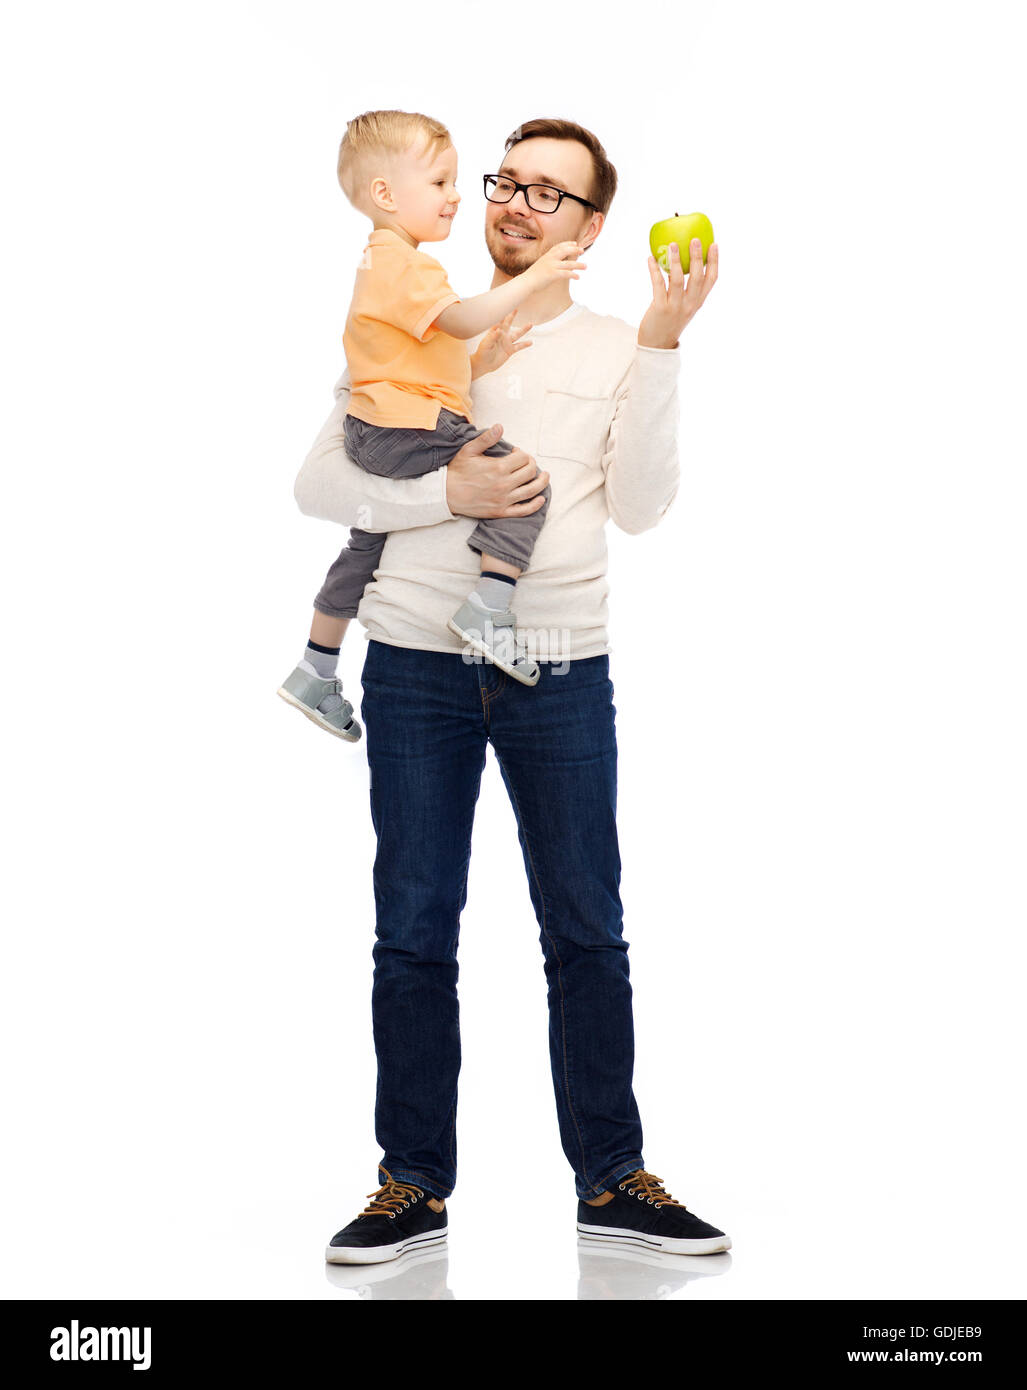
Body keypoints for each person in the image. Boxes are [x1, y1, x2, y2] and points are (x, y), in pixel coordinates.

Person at [293, 114, 729, 1264]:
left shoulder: (610, 347)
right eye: (508, 182)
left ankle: (613, 1178)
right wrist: (454, 499)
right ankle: (410, 1186)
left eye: (551, 195)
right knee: (413, 931)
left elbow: (640, 507)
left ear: (589, 227)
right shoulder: (416, 326)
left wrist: (667, 341)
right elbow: (318, 478)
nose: (518, 205)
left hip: (559, 670)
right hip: (418, 671)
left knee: (588, 930)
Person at [279, 111, 591, 740]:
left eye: (455, 184)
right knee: (523, 484)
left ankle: (315, 665)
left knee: (367, 543)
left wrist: (483, 363)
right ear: (387, 196)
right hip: (404, 427)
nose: (456, 197)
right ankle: (488, 609)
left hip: (379, 427)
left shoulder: (384, 262)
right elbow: (458, 319)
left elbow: (424, 363)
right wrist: (536, 275)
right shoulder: (408, 266)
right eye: (441, 183)